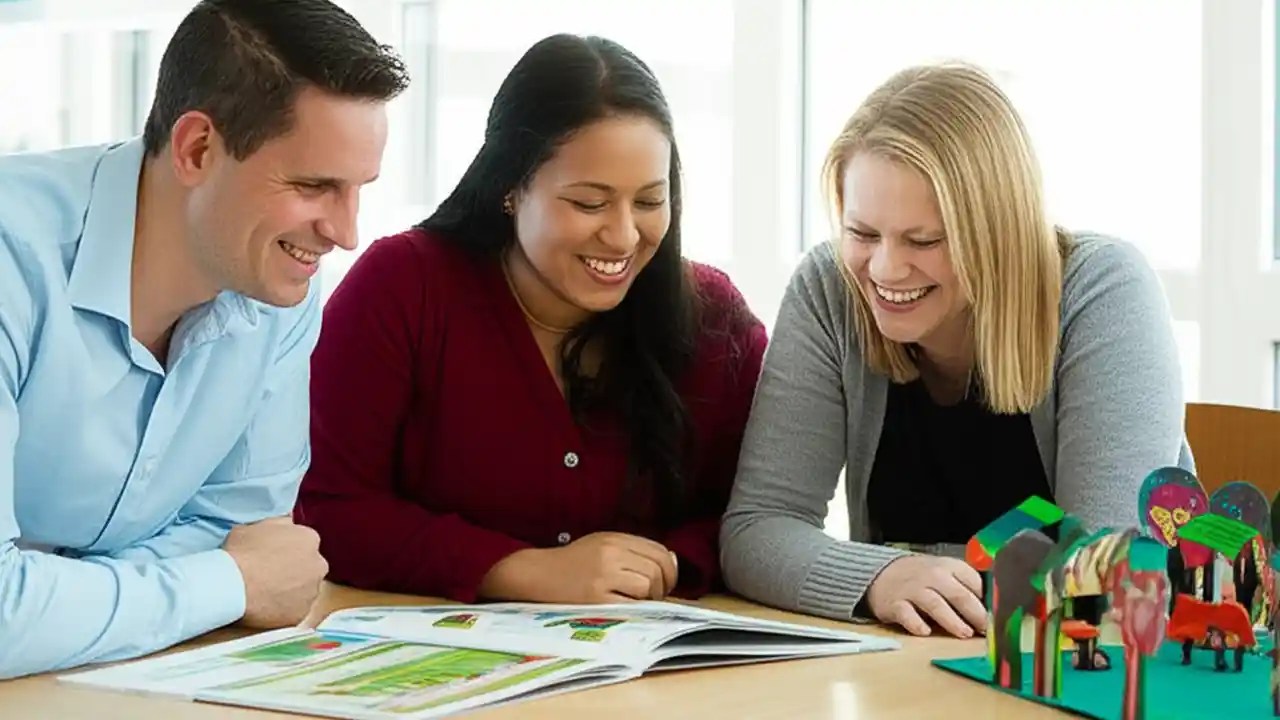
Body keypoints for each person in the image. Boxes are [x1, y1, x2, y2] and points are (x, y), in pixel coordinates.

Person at [0, 0, 407, 679]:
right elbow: (246, 575)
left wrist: (51, 599)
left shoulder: (274, 284)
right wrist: (224, 585)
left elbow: (245, 539)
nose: (345, 233)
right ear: (197, 148)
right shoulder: (13, 260)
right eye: (314, 186)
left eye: (359, 189)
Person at [720, 63, 1192, 639]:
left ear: (998, 231)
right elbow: (756, 530)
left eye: (925, 240)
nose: (885, 269)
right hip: (914, 673)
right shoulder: (828, 289)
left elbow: (1100, 566)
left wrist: (921, 573)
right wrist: (884, 576)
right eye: (862, 234)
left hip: (1092, 667)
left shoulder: (1103, 289)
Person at [295, 34, 767, 605]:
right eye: (589, 203)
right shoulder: (401, 288)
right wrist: (518, 570)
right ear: (511, 189)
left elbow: (759, 517)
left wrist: (666, 563)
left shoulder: (715, 318)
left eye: (648, 201)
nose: (623, 236)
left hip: (654, 671)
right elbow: (331, 509)